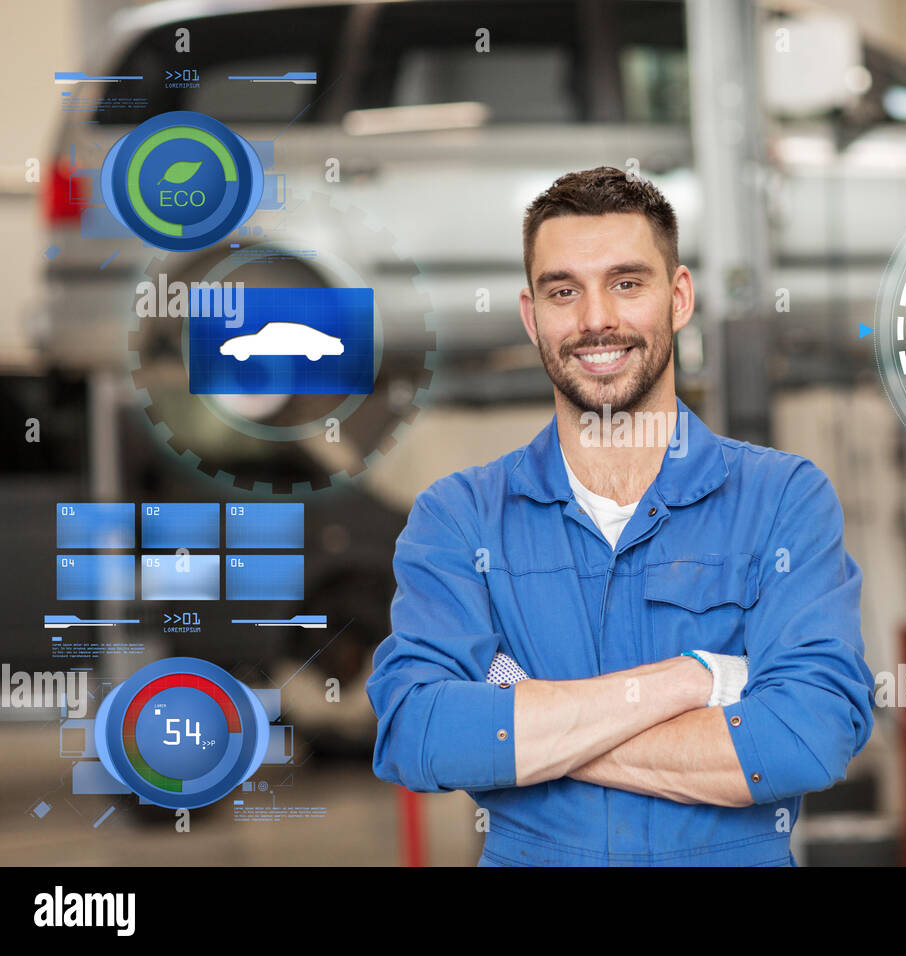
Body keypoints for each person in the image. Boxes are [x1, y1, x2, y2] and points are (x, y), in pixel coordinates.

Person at [367, 166, 875, 866]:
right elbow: (419, 734)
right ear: (530, 315)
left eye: (627, 283)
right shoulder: (460, 519)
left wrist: (528, 722)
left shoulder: (781, 499)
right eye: (564, 291)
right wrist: (696, 680)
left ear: (680, 296)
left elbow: (807, 737)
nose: (595, 319)